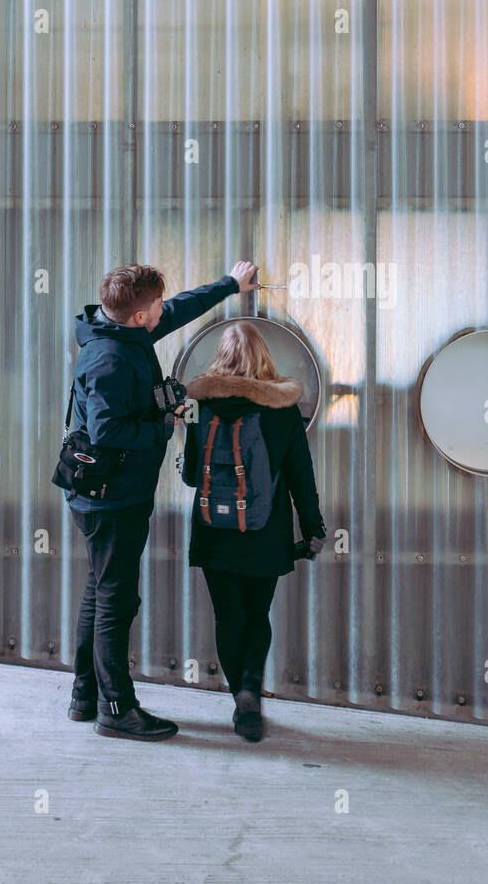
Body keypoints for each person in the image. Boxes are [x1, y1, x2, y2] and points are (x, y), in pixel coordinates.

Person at [65, 259, 258, 741]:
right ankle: (116, 709)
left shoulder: (124, 332)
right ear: (137, 317)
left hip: (107, 495)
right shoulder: (109, 358)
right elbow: (108, 431)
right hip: (112, 499)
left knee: (100, 590)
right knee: (116, 601)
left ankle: (85, 694)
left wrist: (230, 286)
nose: (161, 311)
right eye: (154, 306)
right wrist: (167, 420)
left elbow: (177, 309)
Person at [184, 321, 325, 742]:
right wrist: (313, 529)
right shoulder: (283, 410)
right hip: (265, 531)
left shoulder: (201, 406)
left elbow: (193, 475)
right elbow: (301, 476)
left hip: (214, 530)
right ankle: (250, 690)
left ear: (221, 357)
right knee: (256, 615)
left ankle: (239, 702)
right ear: (265, 357)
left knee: (228, 616)